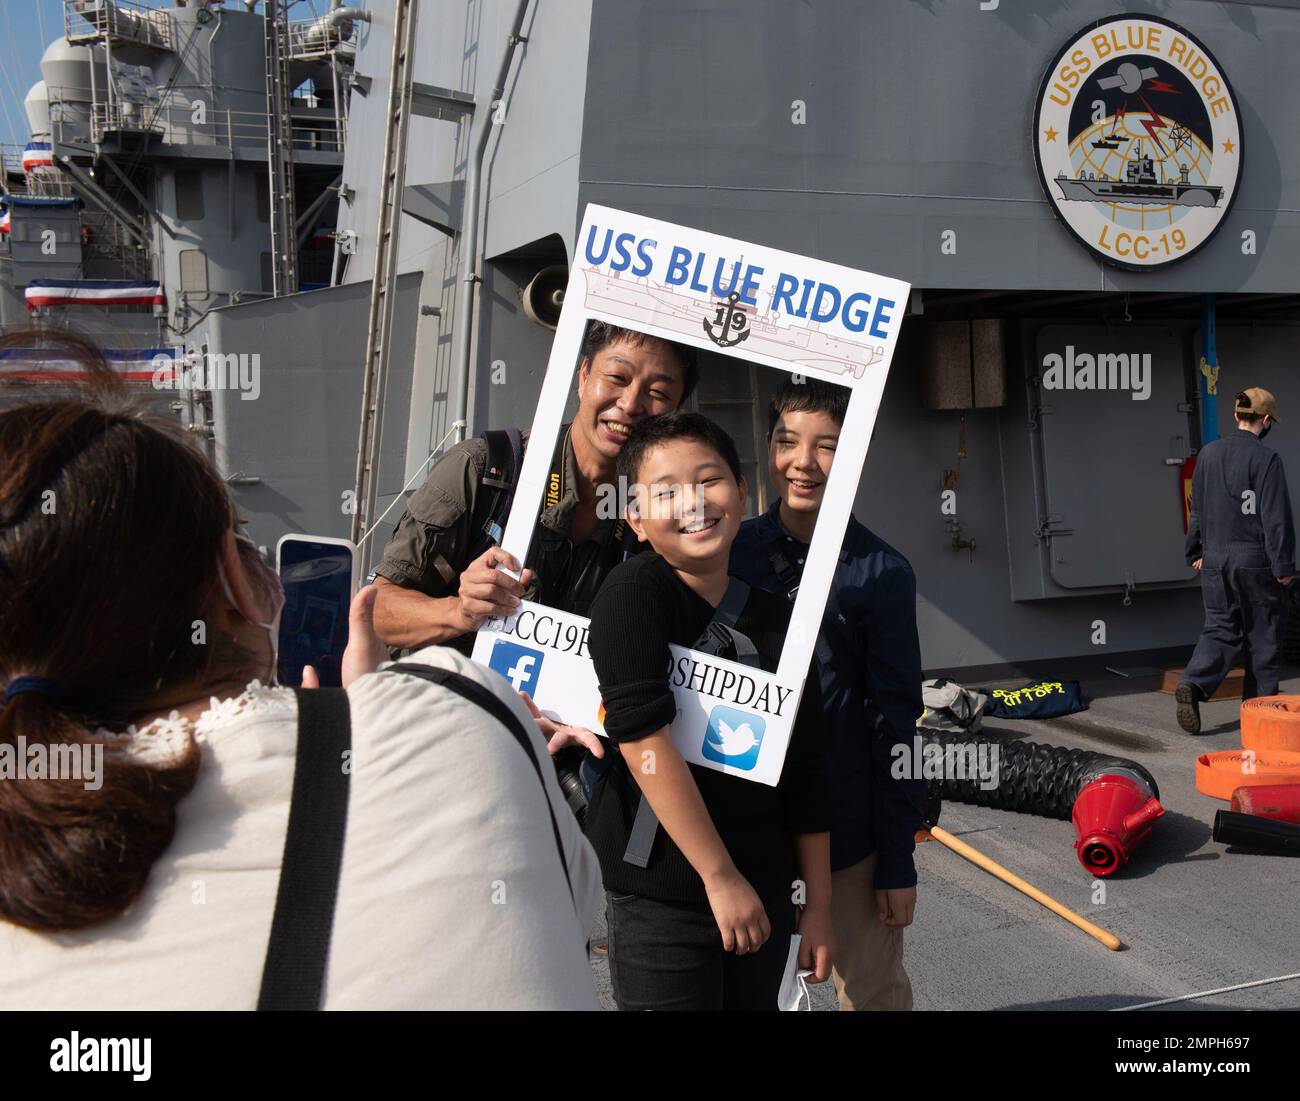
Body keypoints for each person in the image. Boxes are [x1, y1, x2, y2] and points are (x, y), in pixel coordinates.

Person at [0, 332, 601, 1010]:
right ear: (233, 580)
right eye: (245, 536)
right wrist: (384, 720)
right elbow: (572, 906)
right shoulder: (471, 716)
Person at [585, 411, 834, 1011]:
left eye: (710, 480)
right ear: (636, 518)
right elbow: (642, 740)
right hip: (663, 898)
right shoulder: (632, 594)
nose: (693, 502)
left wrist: (819, 907)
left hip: (764, 888)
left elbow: (805, 773)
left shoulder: (779, 621)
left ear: (743, 492)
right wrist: (719, 879)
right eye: (665, 491)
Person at [730, 379, 924, 1011]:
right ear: (768, 446)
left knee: (869, 989)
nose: (803, 463)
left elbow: (896, 725)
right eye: (787, 441)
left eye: (828, 447)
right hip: (747, 821)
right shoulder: (731, 550)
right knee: (747, 987)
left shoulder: (882, 572)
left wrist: (896, 860)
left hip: (847, 829)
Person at [371, 322, 697, 657]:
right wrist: (460, 613)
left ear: (676, 412)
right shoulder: (484, 468)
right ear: (584, 375)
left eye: (657, 393)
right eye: (617, 378)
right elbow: (377, 608)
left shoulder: (665, 515)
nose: (630, 404)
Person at [1177, 387, 1296, 733]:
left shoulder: (1209, 455)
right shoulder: (1267, 459)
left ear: (1235, 415)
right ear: (1267, 420)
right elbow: (1276, 518)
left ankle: (1194, 683)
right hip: (1254, 558)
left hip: (1215, 557)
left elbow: (1196, 508)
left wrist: (1196, 551)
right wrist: (1283, 567)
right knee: (1263, 634)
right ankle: (1259, 716)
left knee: (1220, 627)